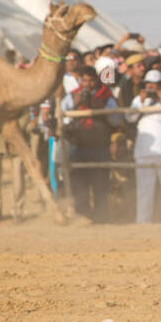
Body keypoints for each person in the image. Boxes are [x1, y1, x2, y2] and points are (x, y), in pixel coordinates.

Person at [61, 66, 121, 222]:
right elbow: (62, 118)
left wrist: (101, 107)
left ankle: (101, 218)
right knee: (79, 185)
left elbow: (116, 120)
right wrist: (74, 105)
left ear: (96, 81)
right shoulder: (72, 96)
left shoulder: (107, 97)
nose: (88, 84)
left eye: (91, 80)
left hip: (99, 147)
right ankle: (84, 218)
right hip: (78, 146)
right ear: (81, 80)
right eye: (85, 80)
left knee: (100, 185)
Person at [126, 69, 161, 223]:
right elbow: (129, 117)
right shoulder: (140, 99)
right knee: (144, 189)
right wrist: (142, 101)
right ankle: (143, 222)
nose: (151, 87)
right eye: (148, 84)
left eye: (155, 84)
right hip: (145, 151)